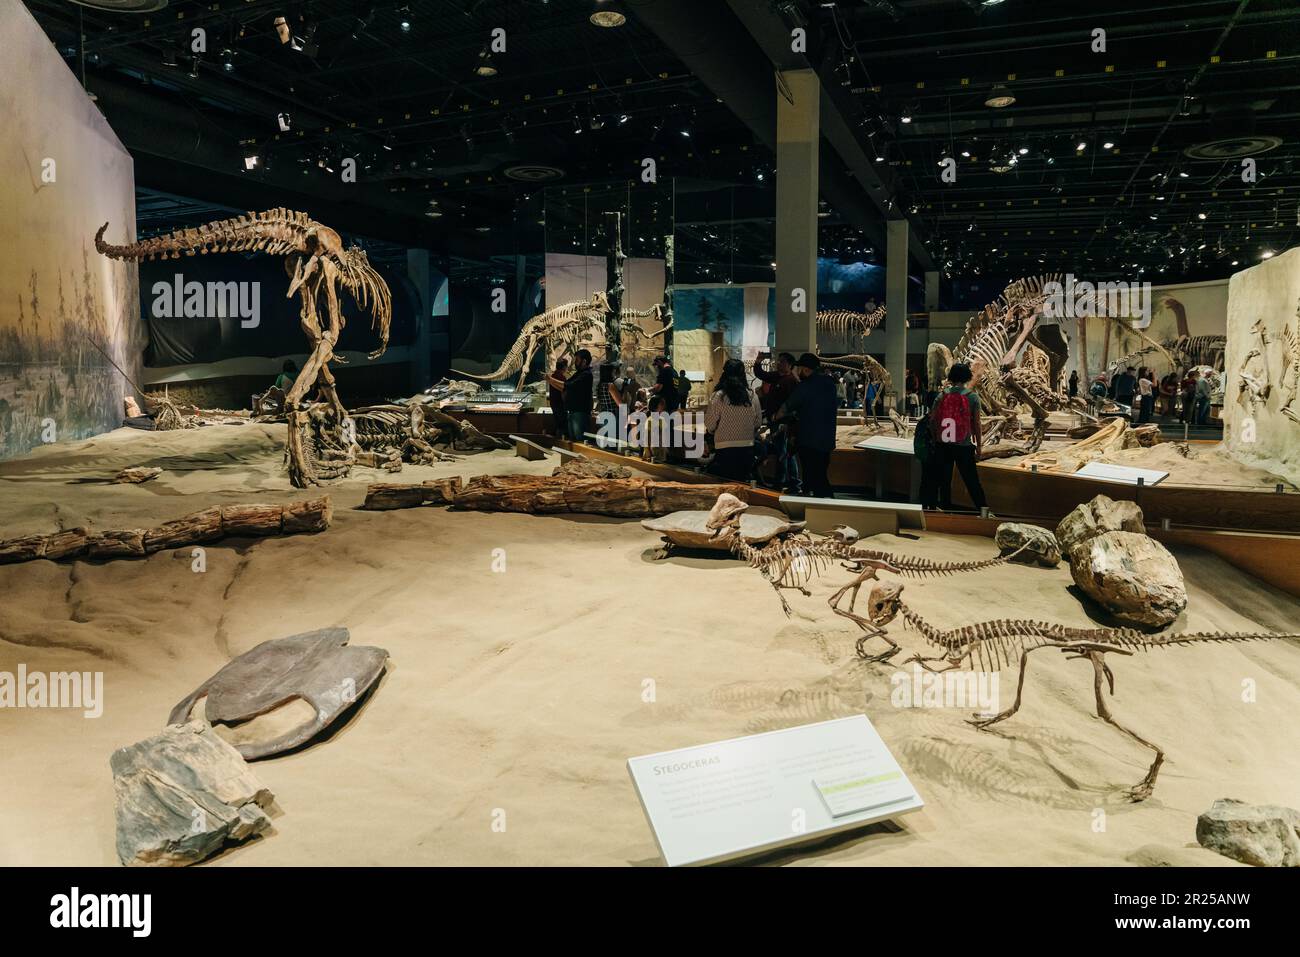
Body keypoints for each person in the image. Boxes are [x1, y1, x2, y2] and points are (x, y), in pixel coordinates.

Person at [775, 353, 837, 498]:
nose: (797, 371)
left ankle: (826, 505)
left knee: (815, 477)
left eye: (799, 368)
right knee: (819, 473)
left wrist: (774, 417)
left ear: (807, 369)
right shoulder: (829, 384)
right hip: (826, 440)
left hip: (809, 440)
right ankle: (815, 503)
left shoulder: (805, 386)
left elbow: (787, 407)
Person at [930, 362, 989, 513]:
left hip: (943, 445)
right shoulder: (972, 397)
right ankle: (983, 512)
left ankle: (946, 511)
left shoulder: (941, 396)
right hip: (963, 446)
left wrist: (936, 440)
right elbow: (976, 423)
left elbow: (932, 420)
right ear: (967, 377)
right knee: (972, 481)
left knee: (944, 481)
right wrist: (979, 446)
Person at [704, 359, 763, 481]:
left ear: (725, 373)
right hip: (747, 448)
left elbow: (710, 425)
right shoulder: (752, 395)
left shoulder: (718, 396)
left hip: (724, 449)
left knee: (724, 483)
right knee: (742, 483)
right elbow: (758, 422)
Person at [564, 349, 594, 443]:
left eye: (577, 360)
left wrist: (550, 380)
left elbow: (568, 385)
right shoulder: (578, 374)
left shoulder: (586, 375)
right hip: (573, 411)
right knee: (574, 440)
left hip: (580, 413)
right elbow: (567, 384)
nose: (575, 363)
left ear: (584, 361)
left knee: (580, 440)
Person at [546, 357, 569, 438]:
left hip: (554, 403)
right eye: (566, 366)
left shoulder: (553, 375)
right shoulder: (562, 377)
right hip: (559, 404)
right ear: (564, 367)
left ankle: (557, 439)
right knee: (562, 423)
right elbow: (563, 391)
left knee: (558, 421)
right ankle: (560, 441)